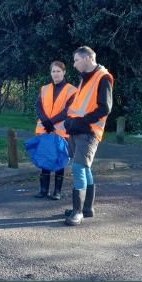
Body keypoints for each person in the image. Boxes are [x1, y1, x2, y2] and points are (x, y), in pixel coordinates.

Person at [62, 46, 114, 226]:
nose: (74, 64)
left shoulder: (103, 77)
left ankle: (78, 212)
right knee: (84, 168)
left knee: (78, 167)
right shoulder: (85, 78)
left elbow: (105, 108)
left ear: (86, 58)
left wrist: (81, 122)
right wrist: (70, 120)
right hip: (78, 130)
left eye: (76, 60)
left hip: (89, 131)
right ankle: (87, 208)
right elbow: (80, 104)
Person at [32, 60, 77, 200]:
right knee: (45, 160)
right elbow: (38, 106)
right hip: (45, 130)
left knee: (59, 161)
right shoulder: (44, 88)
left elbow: (68, 110)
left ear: (64, 72)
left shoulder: (72, 90)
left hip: (60, 131)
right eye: (53, 71)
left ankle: (57, 191)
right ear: (50, 73)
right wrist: (46, 121)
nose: (55, 74)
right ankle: (43, 190)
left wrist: (51, 122)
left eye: (58, 71)